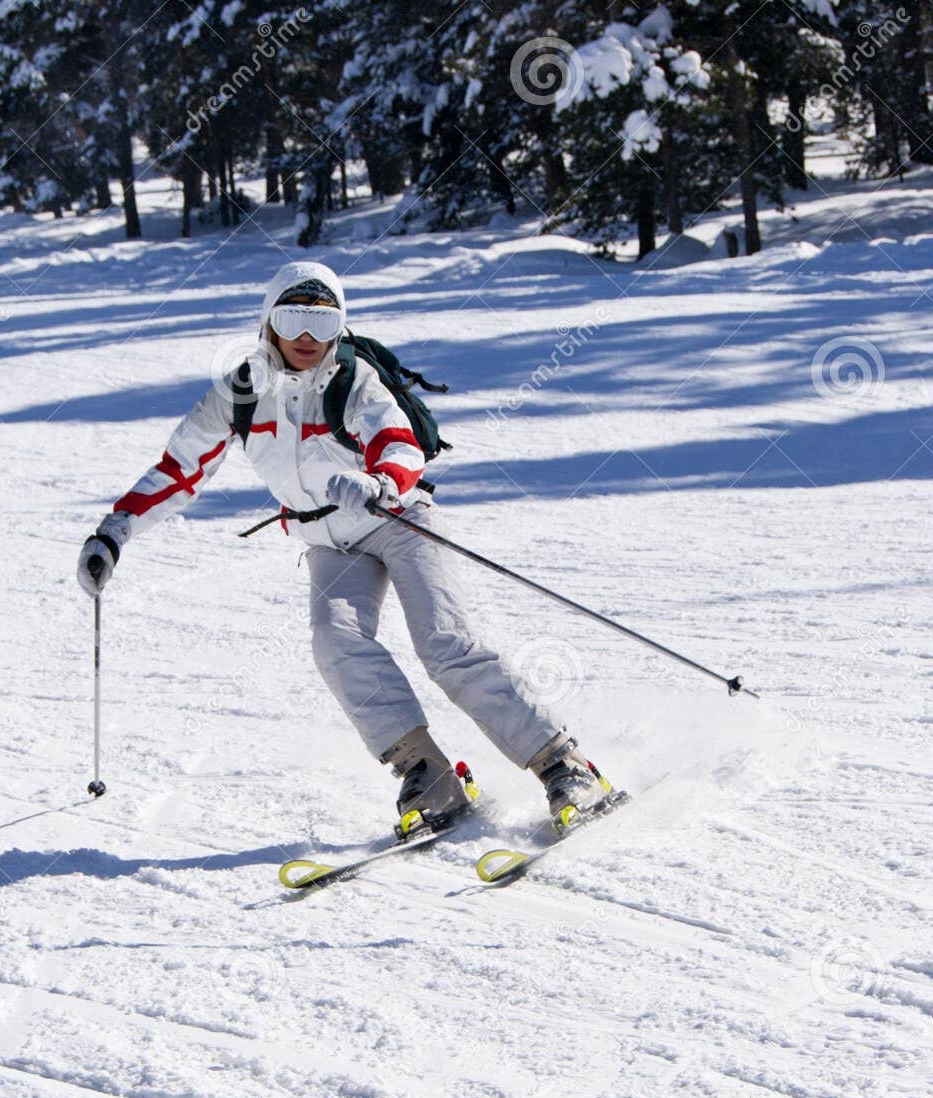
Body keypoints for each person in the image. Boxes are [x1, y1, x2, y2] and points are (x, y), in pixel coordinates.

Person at [77, 260, 603, 833]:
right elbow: (180, 470)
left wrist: (380, 482)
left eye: (324, 323)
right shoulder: (241, 392)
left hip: (397, 518)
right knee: (336, 642)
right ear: (268, 321)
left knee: (444, 643)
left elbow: (399, 442)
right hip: (326, 540)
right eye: (294, 317)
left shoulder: (355, 381)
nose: (308, 336)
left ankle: (562, 762)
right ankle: (428, 773)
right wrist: (115, 530)